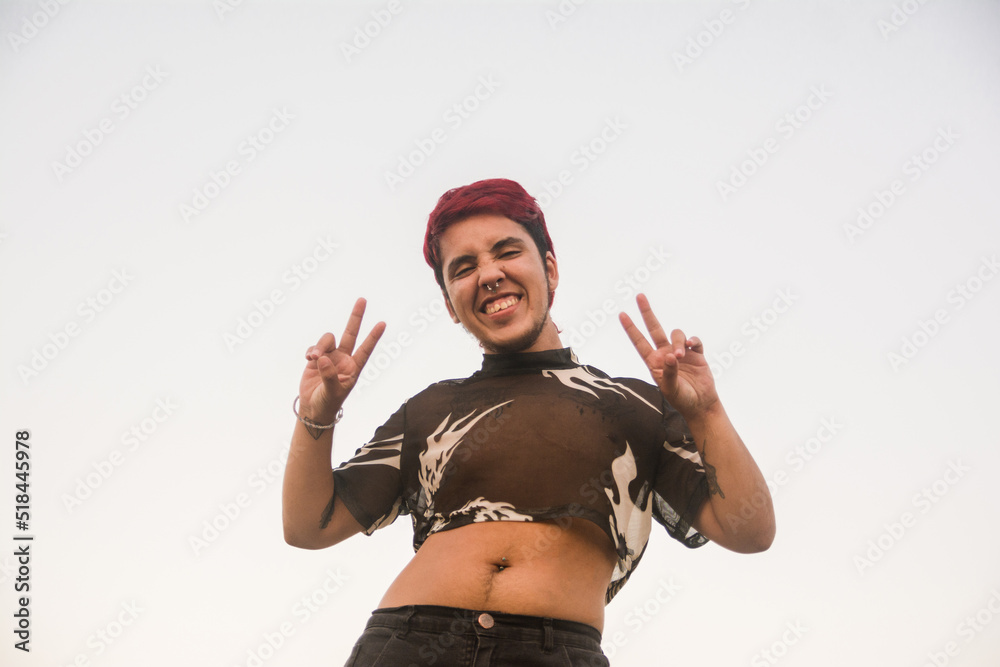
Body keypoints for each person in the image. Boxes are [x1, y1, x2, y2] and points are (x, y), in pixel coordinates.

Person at [281, 178, 775, 666]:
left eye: (507, 251)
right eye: (464, 268)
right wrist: (316, 415)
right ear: (451, 305)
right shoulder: (431, 408)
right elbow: (308, 526)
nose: (489, 274)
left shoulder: (636, 405)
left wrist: (706, 411)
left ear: (551, 270)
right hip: (409, 643)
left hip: (557, 650)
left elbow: (750, 531)